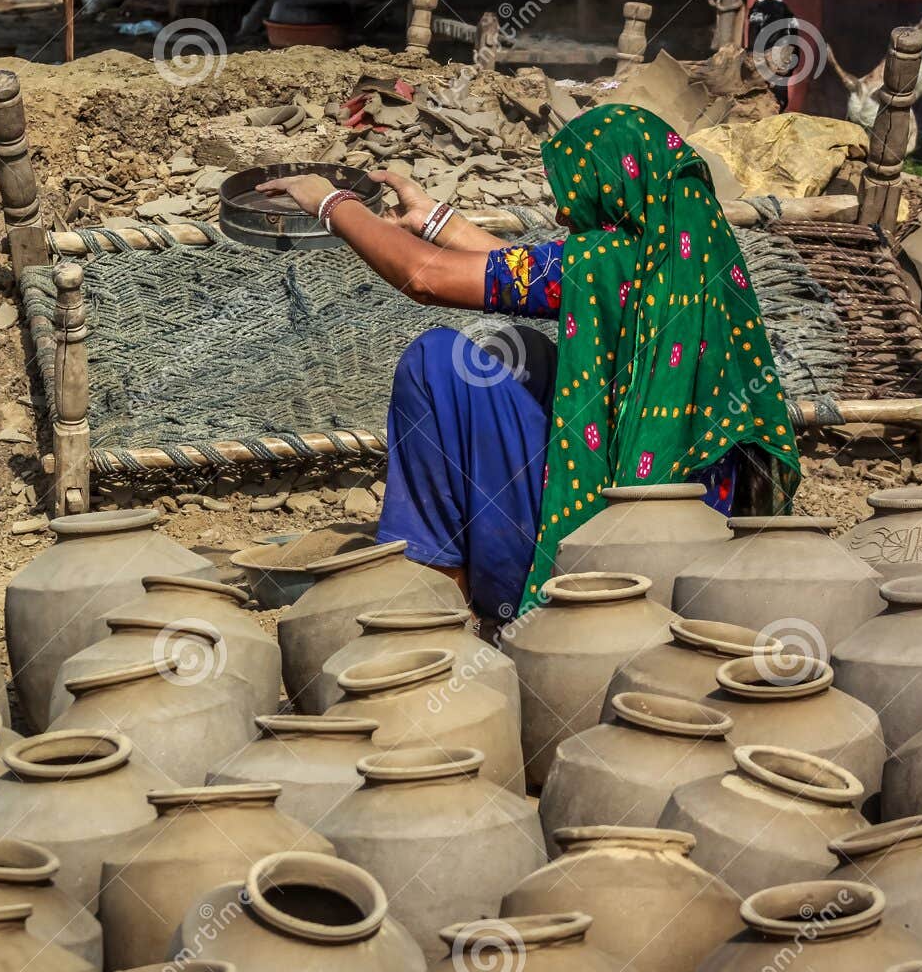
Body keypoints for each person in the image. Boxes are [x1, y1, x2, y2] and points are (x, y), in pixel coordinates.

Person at [259, 104, 799, 622]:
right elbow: (542, 278)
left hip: (602, 560)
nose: (565, 211)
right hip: (691, 555)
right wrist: (434, 220)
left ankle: (441, 591)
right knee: (530, 351)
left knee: (437, 361)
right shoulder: (696, 259)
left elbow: (425, 279)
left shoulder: (607, 260)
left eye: (577, 188)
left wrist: (331, 206)